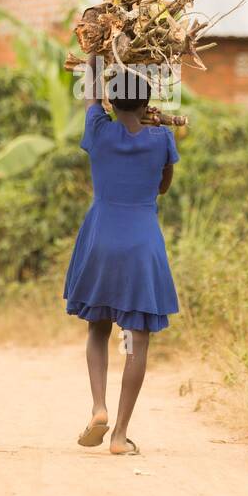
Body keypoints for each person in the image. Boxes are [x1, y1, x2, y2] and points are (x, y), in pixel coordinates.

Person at [63, 60, 179, 455]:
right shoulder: (162, 137)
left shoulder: (98, 129)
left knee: (97, 328)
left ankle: (99, 407)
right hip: (141, 242)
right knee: (136, 341)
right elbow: (163, 186)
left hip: (100, 237)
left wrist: (97, 56)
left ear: (111, 100)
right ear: (148, 102)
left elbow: (91, 94)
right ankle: (119, 435)